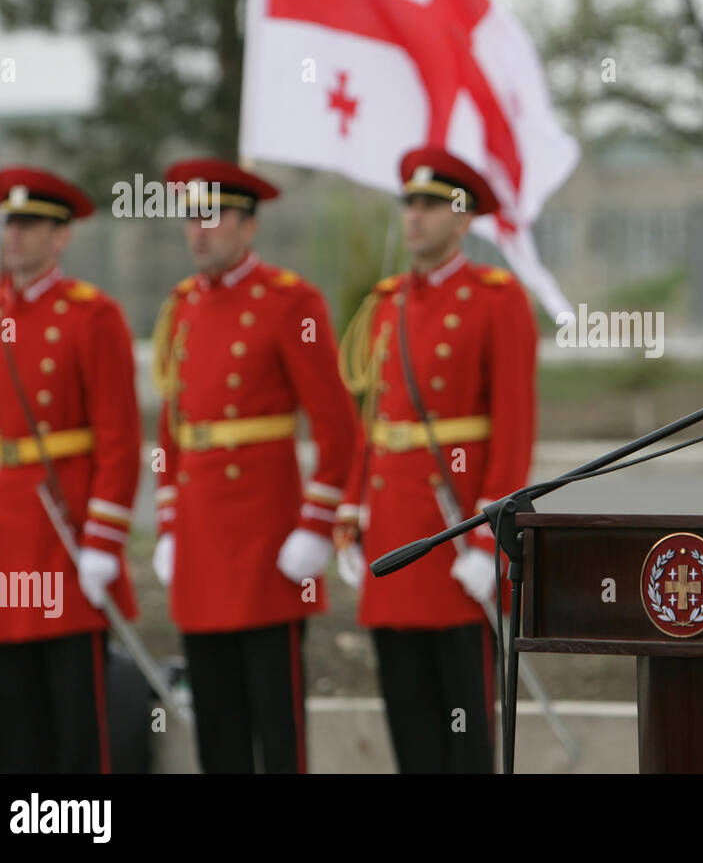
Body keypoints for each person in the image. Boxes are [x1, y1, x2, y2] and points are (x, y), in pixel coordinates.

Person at [150, 158, 358, 773]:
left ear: (248, 225)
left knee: (276, 722)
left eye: (213, 217)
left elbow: (338, 428)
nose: (199, 231)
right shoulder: (182, 307)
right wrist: (166, 521)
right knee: (216, 723)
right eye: (191, 217)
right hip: (201, 539)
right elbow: (172, 429)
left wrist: (316, 526)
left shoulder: (290, 301)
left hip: (269, 543)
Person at [335, 146, 537, 773]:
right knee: (409, 717)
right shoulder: (387, 303)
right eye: (409, 204)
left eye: (430, 205)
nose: (414, 217)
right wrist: (350, 510)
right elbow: (372, 421)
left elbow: (514, 431)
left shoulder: (496, 299)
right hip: (395, 533)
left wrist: (487, 545)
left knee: (467, 725)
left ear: (462, 219)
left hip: (454, 542)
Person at [0, 166, 141, 772]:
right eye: (8, 224)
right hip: (10, 536)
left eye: (30, 224)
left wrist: (105, 539)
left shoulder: (92, 316)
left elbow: (119, 436)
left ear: (59, 237)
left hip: (65, 536)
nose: (13, 236)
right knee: (14, 715)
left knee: (75, 718)